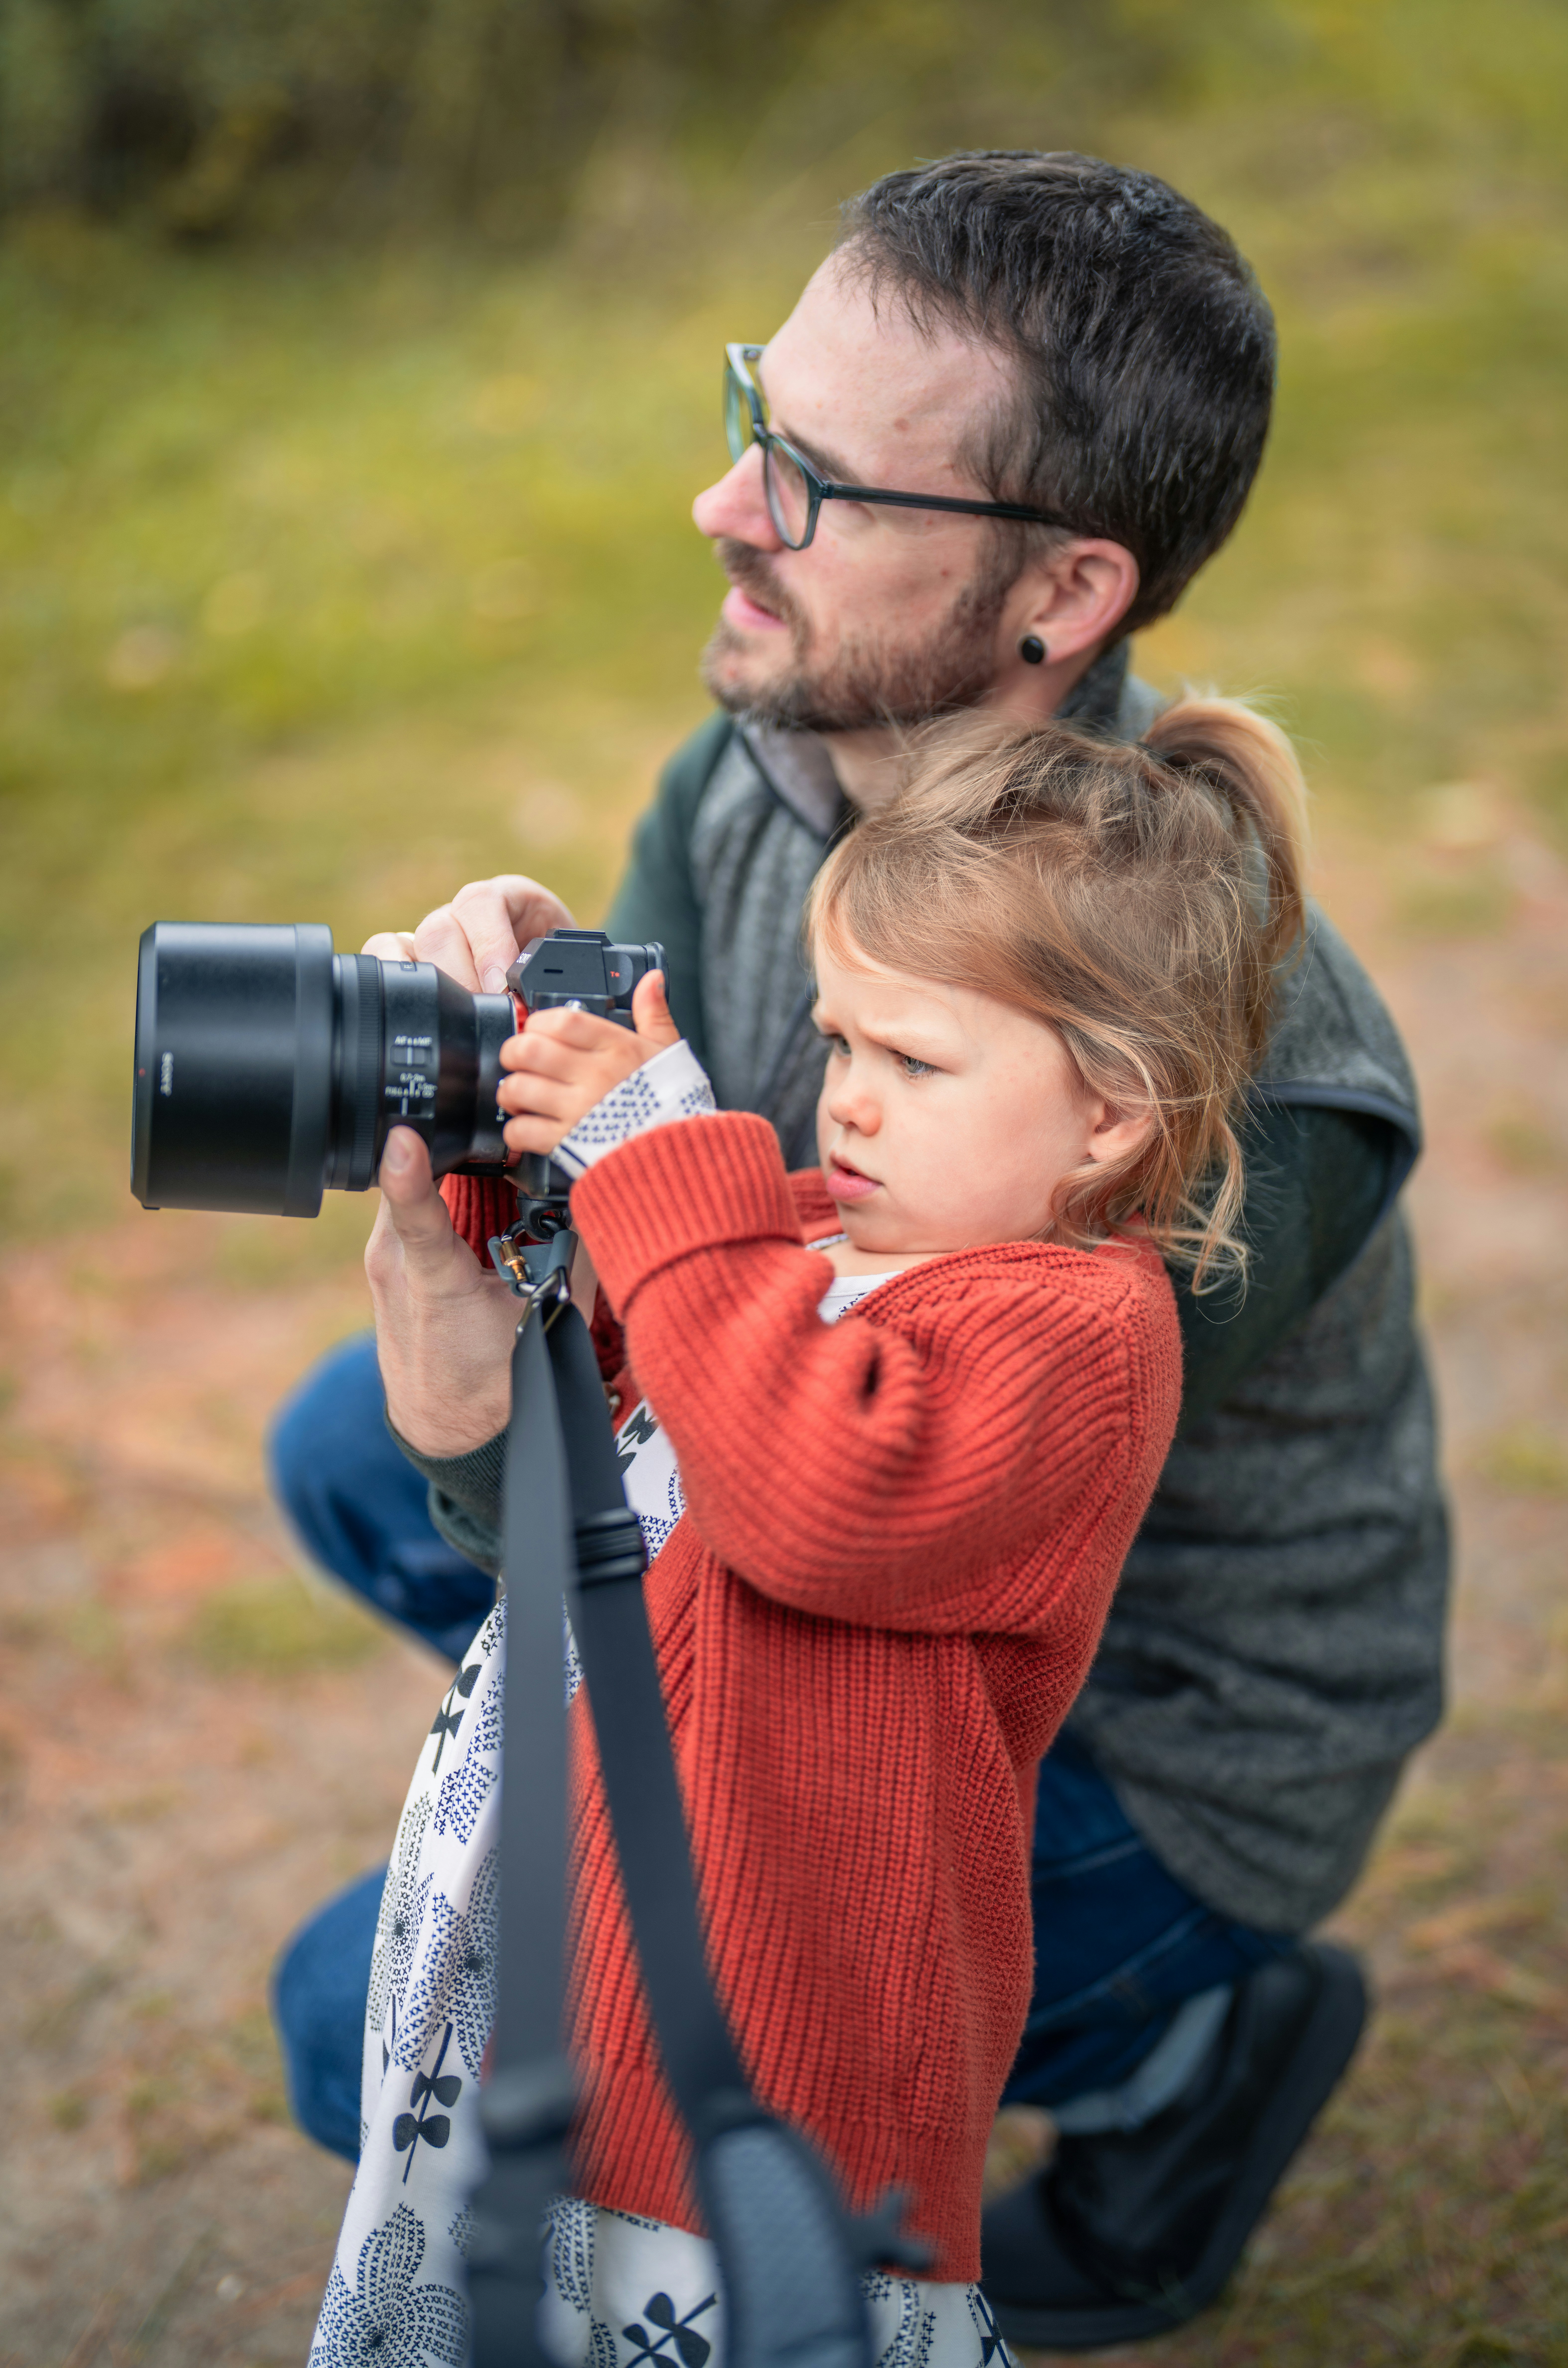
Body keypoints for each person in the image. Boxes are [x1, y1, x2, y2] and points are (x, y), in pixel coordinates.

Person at [275, 151, 1447, 2347]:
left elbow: (843, 1505)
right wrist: (505, 1149)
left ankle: (1186, 2038)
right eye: (754, 417)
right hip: (817, 1485)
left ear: (1064, 591)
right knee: (356, 1447)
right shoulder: (758, 773)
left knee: (370, 2006)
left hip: (1145, 1722)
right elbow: (691, 1324)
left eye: (816, 481)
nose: (728, 508)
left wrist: (609, 1285)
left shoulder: (1237, 1085)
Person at [310, 698, 1309, 2367]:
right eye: (841, 1043)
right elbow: (606, 1347)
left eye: (914, 1063)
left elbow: (811, 1492)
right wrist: (505, 1132)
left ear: (1113, 1116)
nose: (844, 1105)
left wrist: (657, 1164)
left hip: (784, 2046)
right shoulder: (807, 1236)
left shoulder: (1076, 1336)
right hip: (593, 1940)